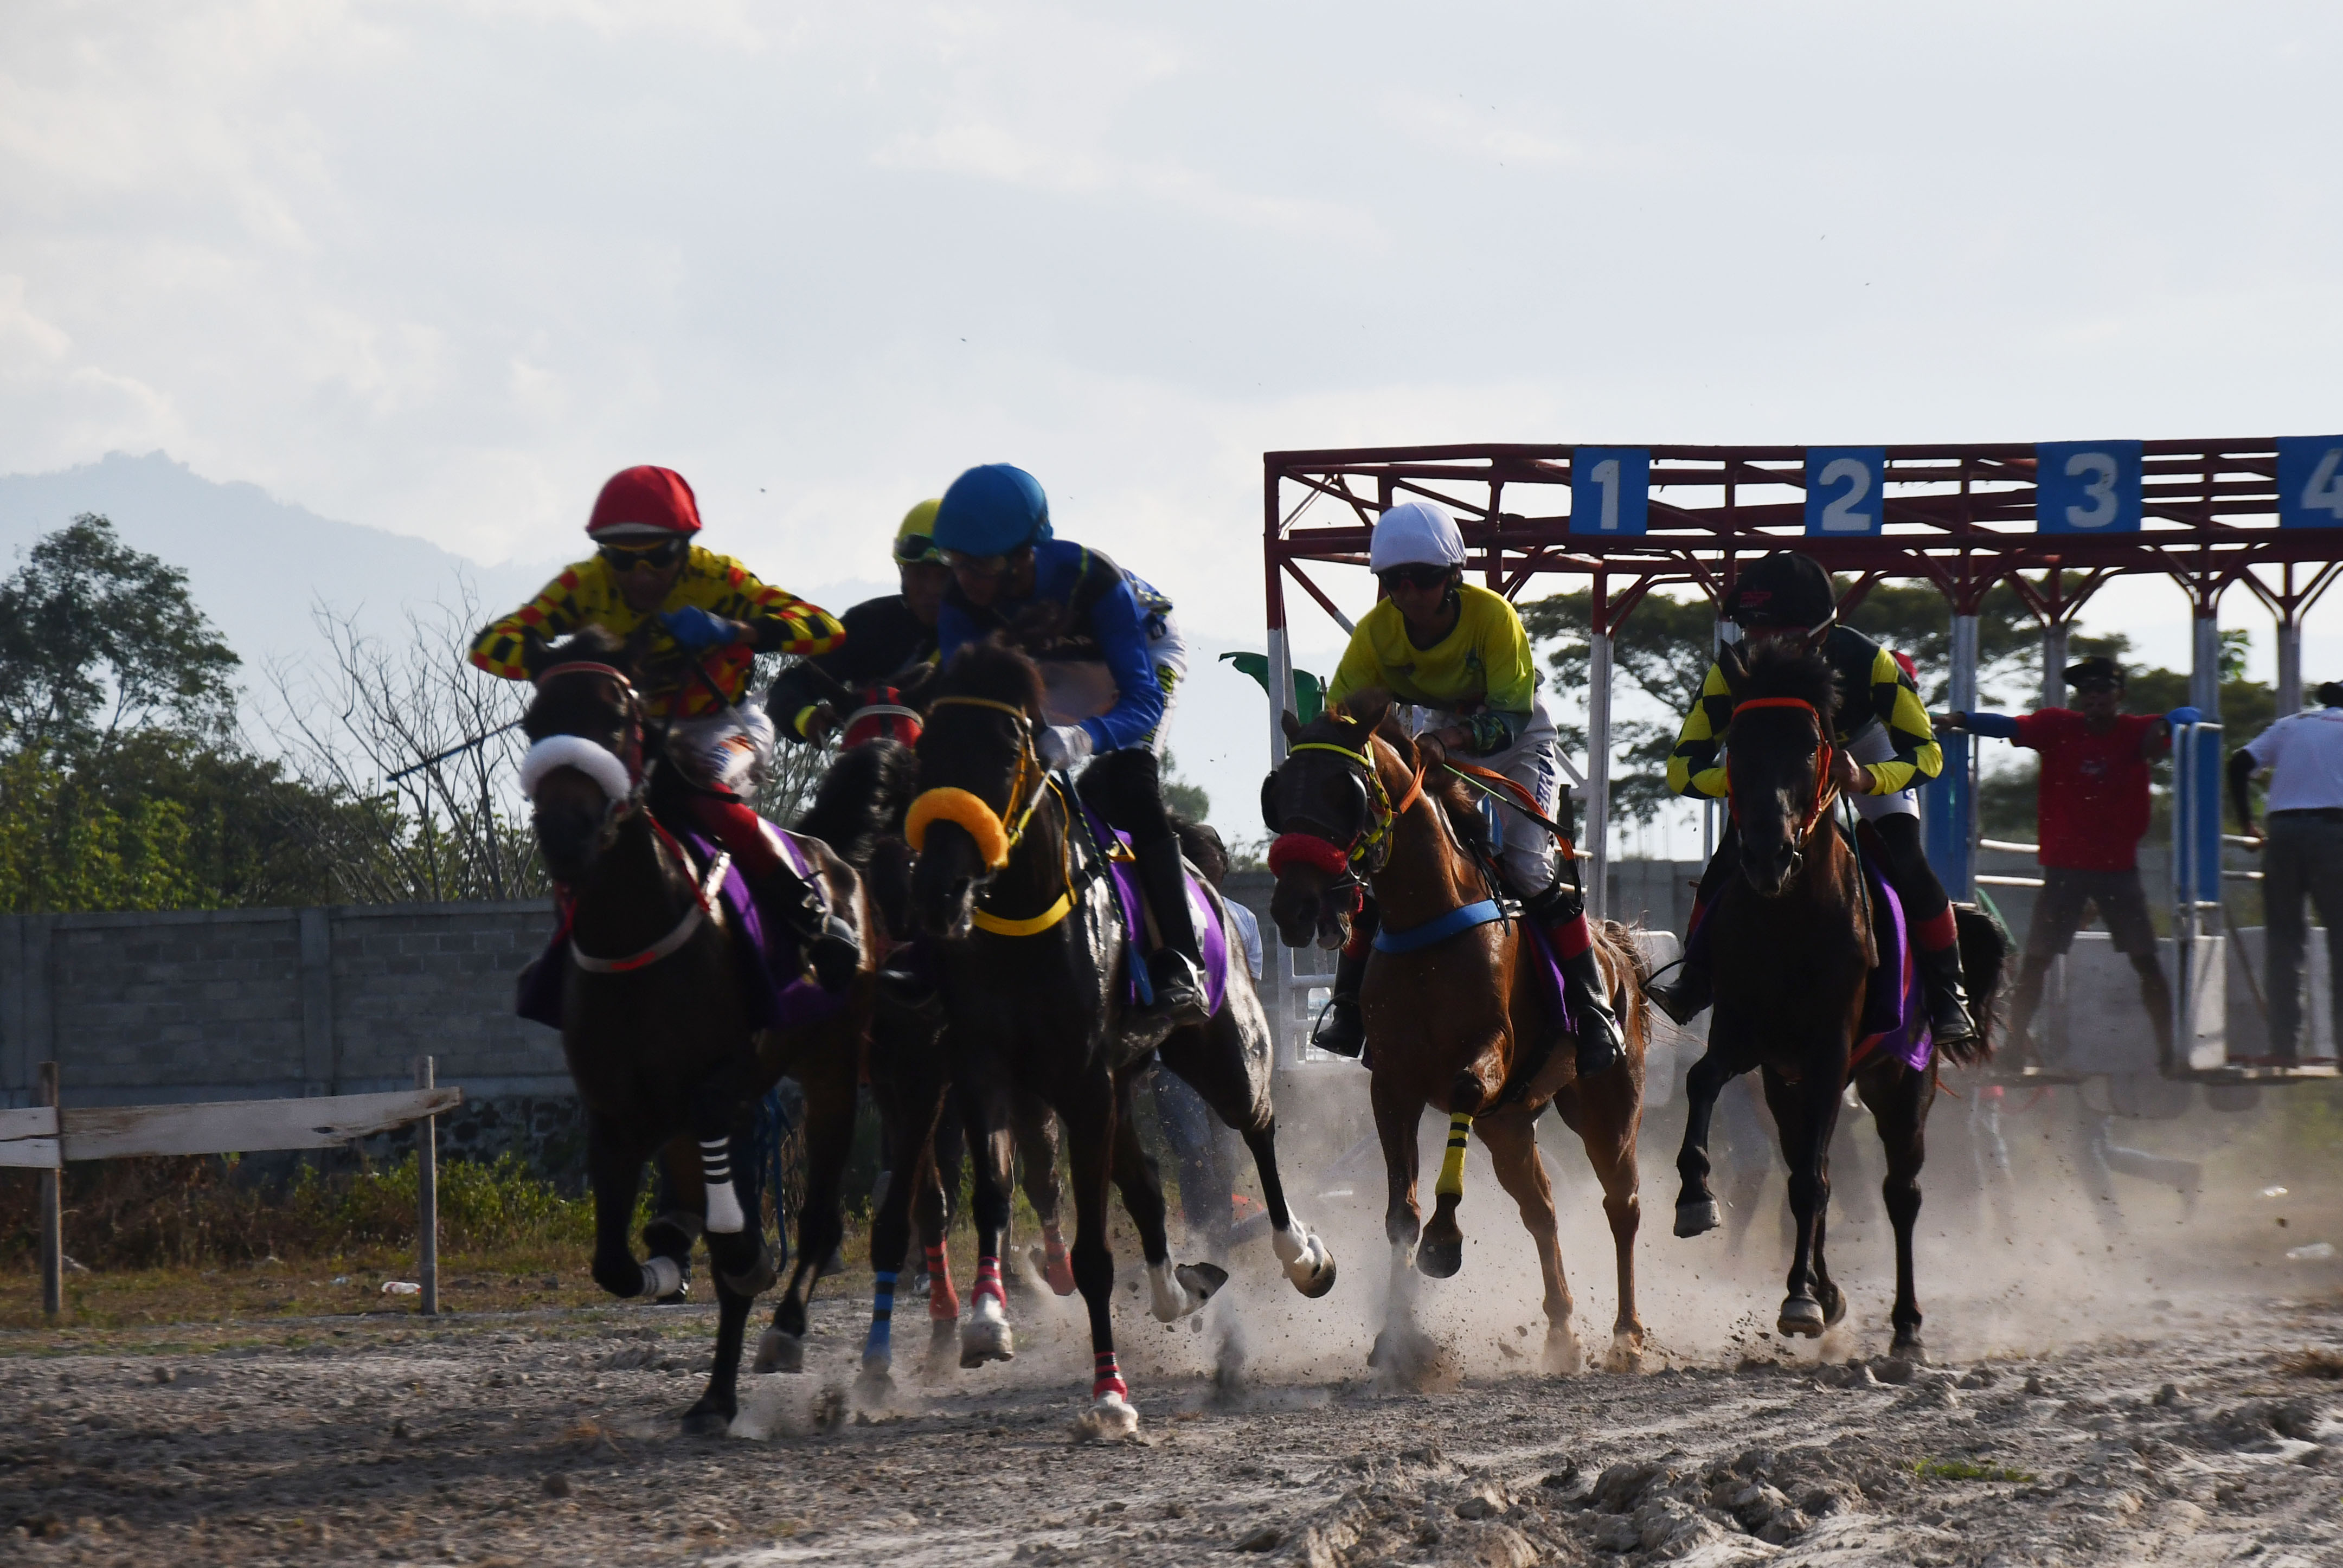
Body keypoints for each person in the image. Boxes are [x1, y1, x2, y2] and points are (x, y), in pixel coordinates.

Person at [470, 464, 858, 987]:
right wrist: (573, 663)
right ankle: (566, 943)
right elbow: (490, 647)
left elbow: (825, 630)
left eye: (659, 557)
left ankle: (807, 914)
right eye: (622, 560)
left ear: (685, 547)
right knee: (582, 811)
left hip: (727, 724)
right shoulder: (583, 586)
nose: (641, 576)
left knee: (707, 790)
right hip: (640, 731)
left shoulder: (718, 578)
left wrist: (732, 630)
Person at [1312, 499, 1622, 1075]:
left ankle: (1593, 1006)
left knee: (1526, 863)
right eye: (1395, 582)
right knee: (1391, 865)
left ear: (1452, 577)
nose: (1410, 595)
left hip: (1518, 740)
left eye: (1424, 580)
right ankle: (1348, 1005)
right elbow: (1344, 712)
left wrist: (1446, 738)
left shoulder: (1493, 616)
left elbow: (1507, 714)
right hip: (1436, 742)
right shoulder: (1377, 634)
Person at [1646, 549, 1976, 1046]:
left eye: (1783, 637)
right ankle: (1694, 980)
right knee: (1727, 861)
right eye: (1756, 635)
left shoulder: (1869, 661)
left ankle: (1950, 993)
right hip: (1781, 773)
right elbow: (1682, 770)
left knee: (1906, 860)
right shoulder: (1732, 672)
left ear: (1823, 631)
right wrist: (1743, 782)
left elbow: (1927, 755)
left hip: (1861, 749)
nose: (1767, 648)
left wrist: (1866, 778)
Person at [930, 462, 1203, 1022]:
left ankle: (1181, 959)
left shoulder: (1092, 578)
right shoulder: (959, 604)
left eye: (978, 565)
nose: (965, 580)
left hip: (1138, 654)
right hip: (1047, 663)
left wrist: (1084, 738)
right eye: (955, 564)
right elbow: (966, 703)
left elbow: (1141, 700)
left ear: (1023, 555)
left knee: (1130, 781)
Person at [1937, 657, 2197, 1071]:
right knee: (2037, 960)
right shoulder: (2058, 727)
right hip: (2065, 869)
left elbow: (2190, 717)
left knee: (2145, 959)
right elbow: (2008, 726)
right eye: (2087, 692)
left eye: (2103, 691)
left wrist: (2169, 725)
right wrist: (1958, 719)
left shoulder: (2136, 732)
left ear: (2118, 696)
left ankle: (2170, 1051)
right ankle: (2015, 1049)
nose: (2094, 699)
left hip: (2117, 868)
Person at [770, 500, 952, 749]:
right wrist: (807, 718)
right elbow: (788, 689)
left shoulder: (989, 635)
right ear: (902, 572)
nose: (932, 589)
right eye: (920, 574)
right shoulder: (869, 623)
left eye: (944, 577)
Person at [2229, 680, 2343, 1065]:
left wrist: (2246, 824)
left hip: (2283, 834)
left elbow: (2239, 764)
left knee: (2284, 943)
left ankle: (2284, 1047)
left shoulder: (2291, 724)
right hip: (2333, 833)